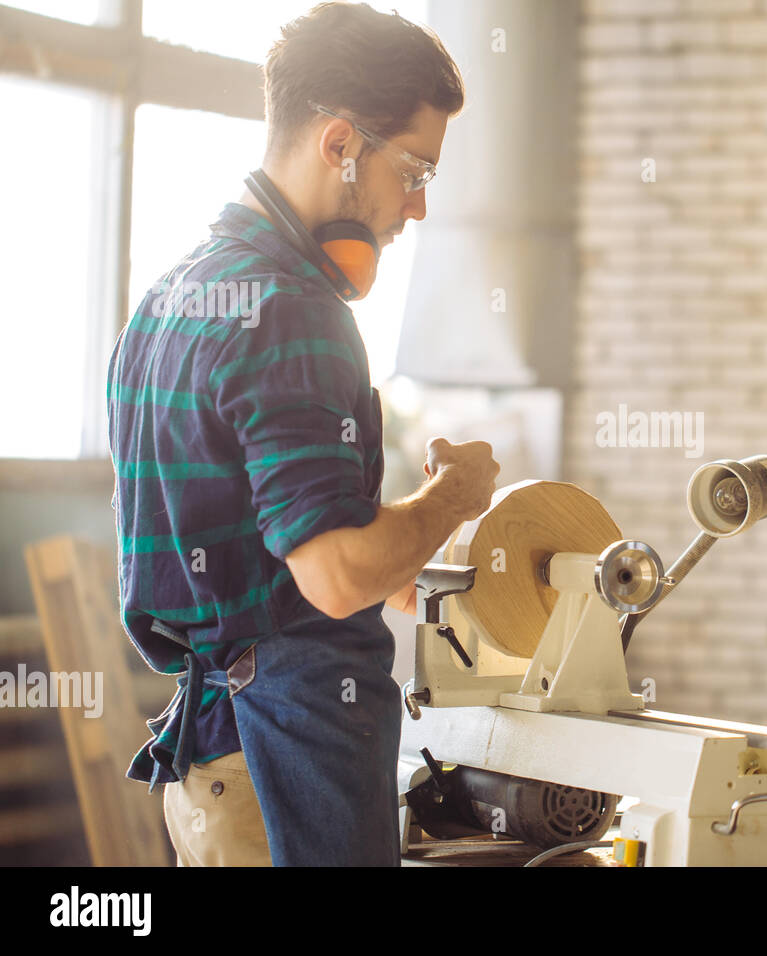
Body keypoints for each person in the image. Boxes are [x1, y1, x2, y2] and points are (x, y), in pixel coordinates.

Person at [106, 1, 499, 866]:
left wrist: (395, 553)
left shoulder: (171, 296)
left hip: (212, 764)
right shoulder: (293, 309)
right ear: (340, 144)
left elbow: (266, 551)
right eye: (414, 170)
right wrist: (455, 495)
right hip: (280, 769)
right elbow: (337, 575)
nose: (418, 207)